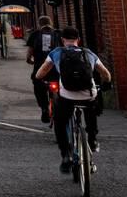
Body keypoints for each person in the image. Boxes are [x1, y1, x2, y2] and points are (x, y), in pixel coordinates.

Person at [33, 26, 111, 174]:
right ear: (78, 40)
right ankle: (92, 140)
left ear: (63, 40)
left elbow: (40, 74)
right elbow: (106, 74)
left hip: (67, 96)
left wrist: (41, 80)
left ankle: (66, 156)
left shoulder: (56, 53)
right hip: (88, 95)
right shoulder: (88, 53)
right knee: (91, 110)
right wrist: (107, 84)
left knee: (60, 123)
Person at [25, 16, 60, 123]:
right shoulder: (58, 34)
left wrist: (29, 60)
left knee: (38, 86)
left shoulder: (35, 34)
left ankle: (44, 108)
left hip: (40, 69)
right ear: (51, 23)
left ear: (39, 24)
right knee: (61, 86)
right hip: (56, 69)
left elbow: (30, 52)